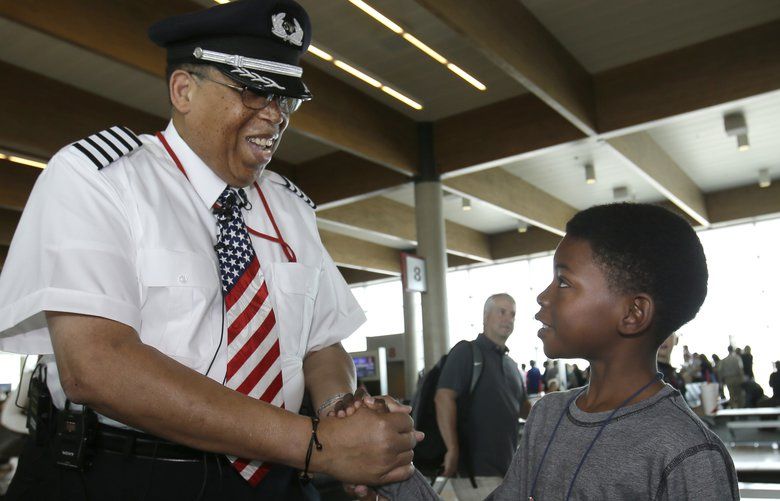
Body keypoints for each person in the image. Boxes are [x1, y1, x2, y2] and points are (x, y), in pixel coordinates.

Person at [0, 1, 419, 499]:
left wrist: (340, 416)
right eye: (253, 91)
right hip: (125, 473)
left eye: (287, 98)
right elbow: (95, 366)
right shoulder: (100, 179)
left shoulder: (291, 209)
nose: (275, 114)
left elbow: (321, 344)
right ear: (183, 90)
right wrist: (318, 445)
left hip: (279, 474)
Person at [376, 203, 739, 500]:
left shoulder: (685, 452)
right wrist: (391, 473)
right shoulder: (548, 416)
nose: (543, 296)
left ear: (632, 313)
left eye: (564, 281)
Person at [434, 293, 530, 500]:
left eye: (512, 314)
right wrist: (451, 449)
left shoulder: (511, 365)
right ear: (486, 317)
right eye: (502, 312)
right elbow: (443, 398)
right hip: (474, 471)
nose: (508, 319)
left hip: (506, 470)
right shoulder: (466, 353)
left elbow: (523, 408)